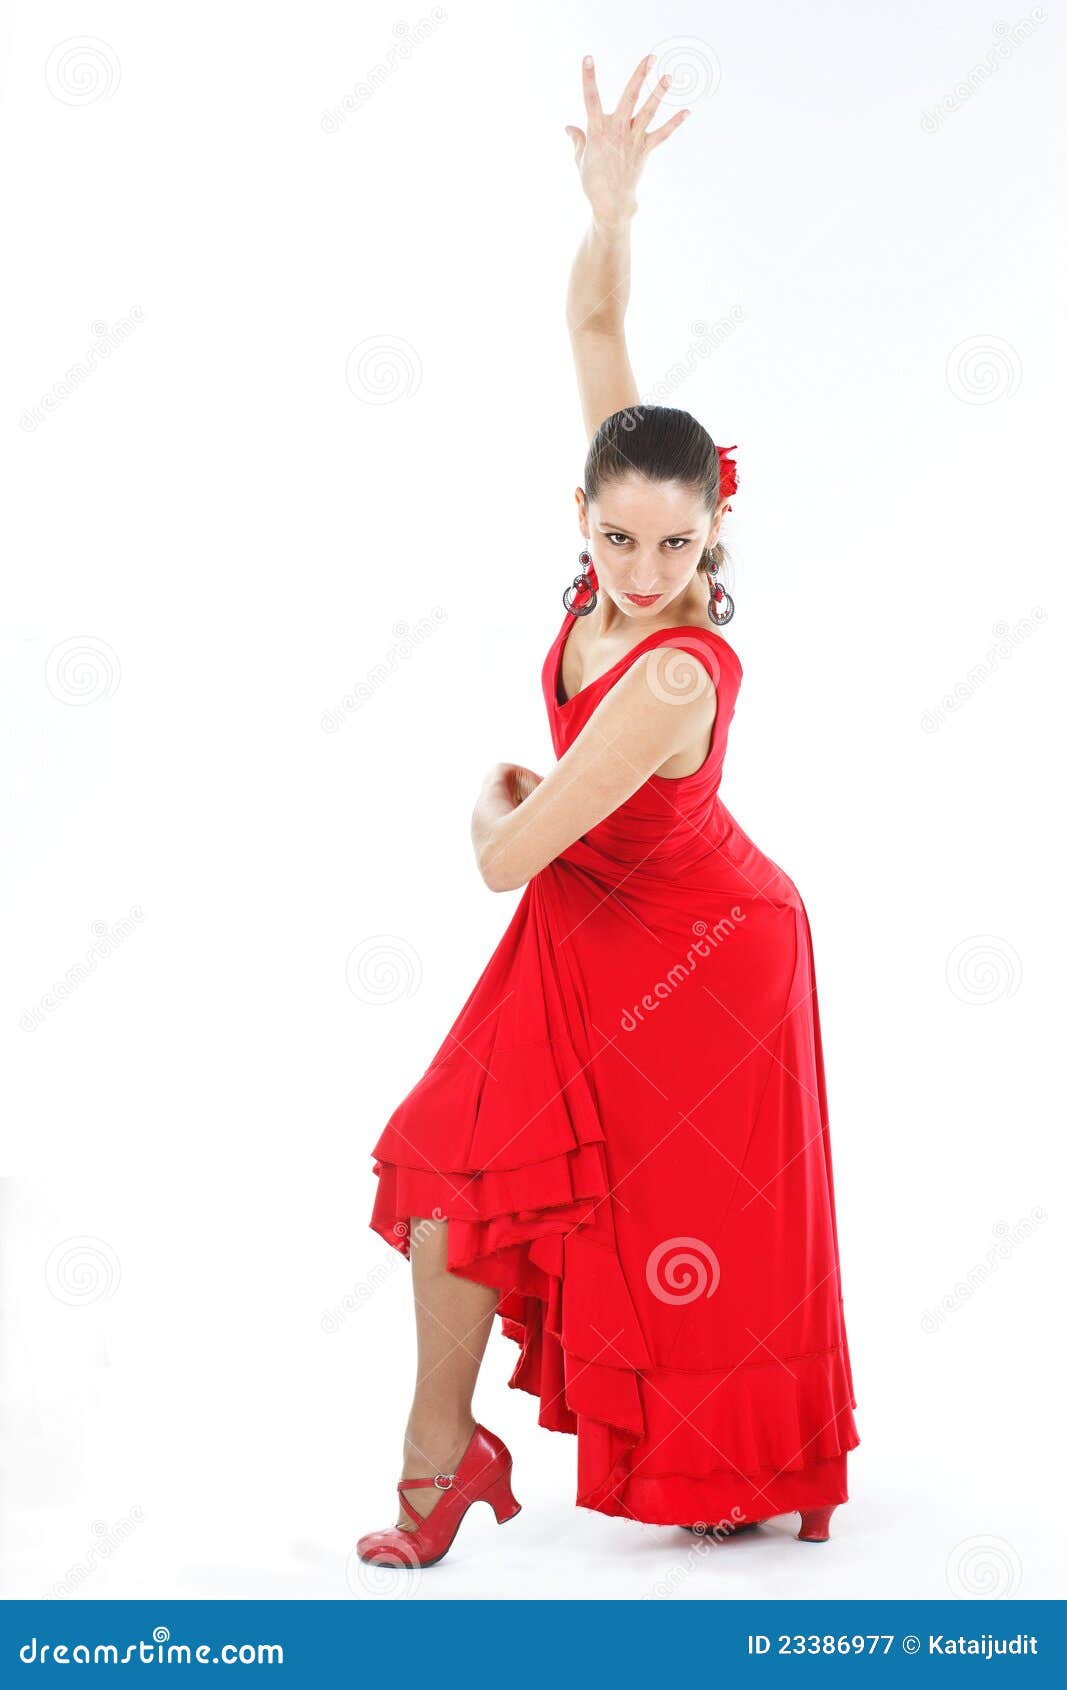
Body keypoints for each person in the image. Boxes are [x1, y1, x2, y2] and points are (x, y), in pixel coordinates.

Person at [357, 51, 858, 1571]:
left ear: (719, 532)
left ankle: (737, 1458)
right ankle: (441, 1462)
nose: (645, 573)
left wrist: (484, 797)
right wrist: (611, 202)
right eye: (622, 536)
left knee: (690, 1235)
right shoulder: (620, 522)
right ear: (586, 514)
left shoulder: (670, 677)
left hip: (704, 954)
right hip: (596, 931)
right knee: (442, 1162)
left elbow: (513, 858)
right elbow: (593, 322)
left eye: (677, 543)